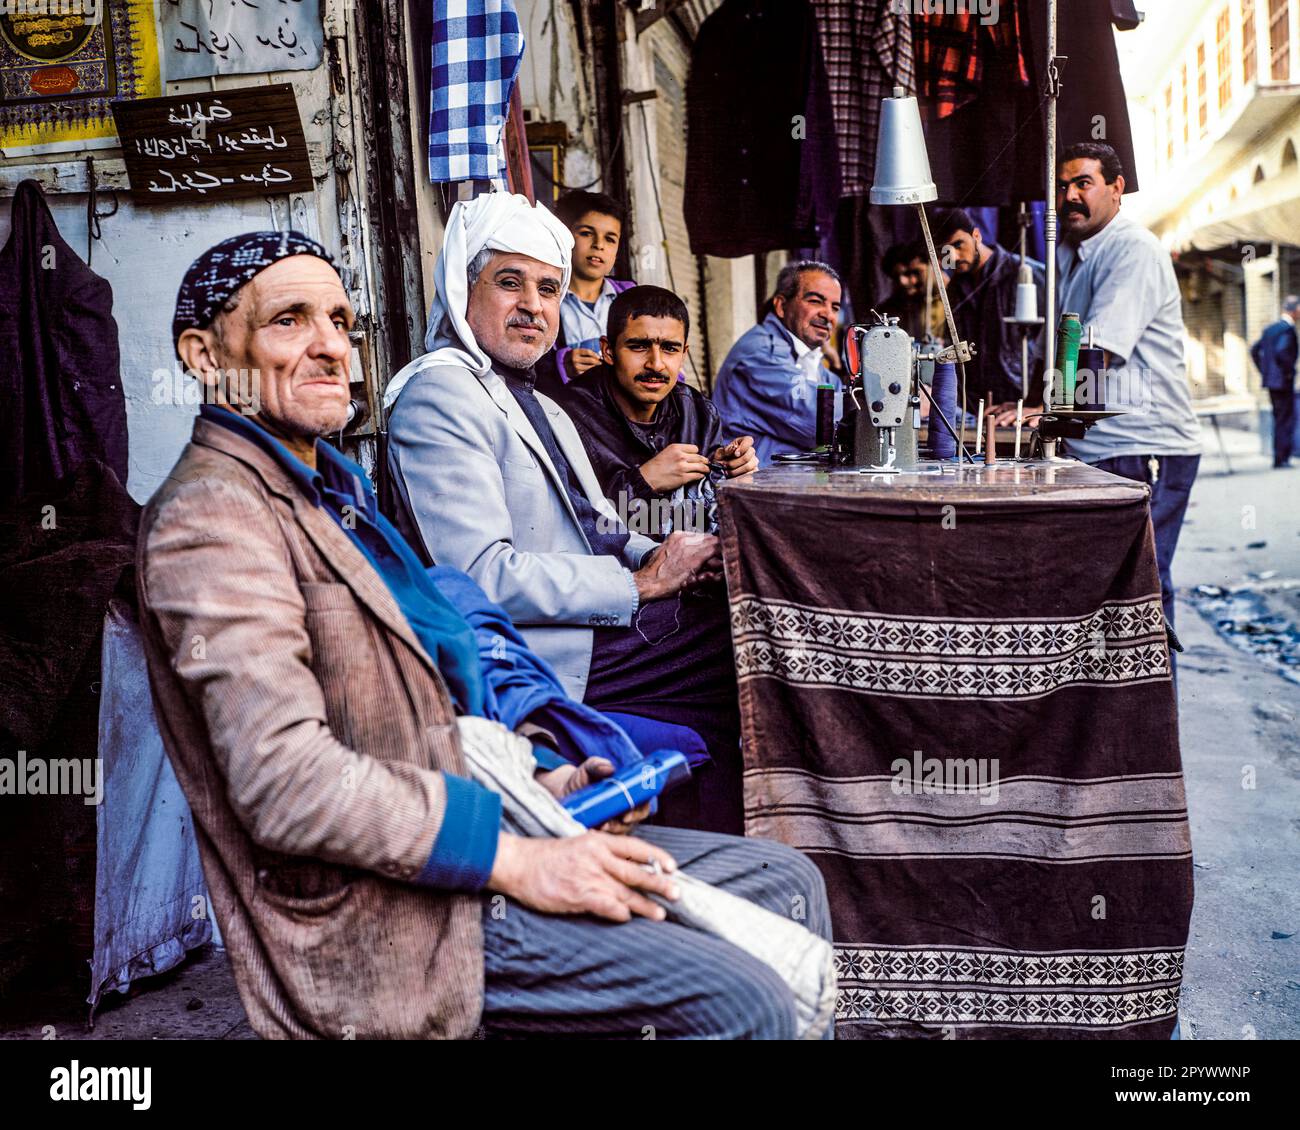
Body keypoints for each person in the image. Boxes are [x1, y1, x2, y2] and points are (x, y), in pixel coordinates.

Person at [137, 229, 832, 1041]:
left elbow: (417, 696)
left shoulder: (328, 487)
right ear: (203, 352)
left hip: (478, 832)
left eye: (339, 320)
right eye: (288, 321)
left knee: (784, 879)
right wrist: (524, 861)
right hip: (394, 912)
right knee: (744, 1000)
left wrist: (543, 780)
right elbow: (288, 784)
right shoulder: (213, 518)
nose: (330, 347)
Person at [384, 195, 749, 833]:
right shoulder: (439, 393)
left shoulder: (538, 402)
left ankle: (734, 852)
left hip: (600, 624)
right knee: (740, 654)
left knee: (742, 625)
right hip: (541, 649)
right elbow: (480, 577)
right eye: (508, 282)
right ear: (461, 288)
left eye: (549, 288)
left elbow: (597, 523)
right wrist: (639, 583)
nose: (533, 305)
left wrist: (664, 558)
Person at [1053, 141, 1201, 630]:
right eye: (1063, 185)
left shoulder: (1131, 248)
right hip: (1108, 446)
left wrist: (1041, 407)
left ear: (1117, 189)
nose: (1070, 195)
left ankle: (1156, 707)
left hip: (1144, 447)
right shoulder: (1076, 257)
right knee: (1121, 591)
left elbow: (1099, 352)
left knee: (1140, 589)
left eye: (1083, 183)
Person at [557, 284, 758, 540]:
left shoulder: (698, 412)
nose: (656, 363)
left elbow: (701, 520)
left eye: (670, 348)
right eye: (639, 346)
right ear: (608, 350)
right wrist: (643, 482)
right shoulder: (568, 417)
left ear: (683, 354)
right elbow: (575, 527)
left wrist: (728, 471)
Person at [711, 260, 843, 466]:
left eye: (835, 307)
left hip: (786, 481)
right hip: (751, 486)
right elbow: (821, 425)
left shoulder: (810, 359)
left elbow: (840, 400)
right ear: (781, 306)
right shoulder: (761, 352)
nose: (828, 314)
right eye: (816, 301)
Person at [935, 207, 1045, 416]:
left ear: (976, 235)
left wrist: (1037, 403)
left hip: (1021, 403)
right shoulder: (955, 289)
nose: (954, 256)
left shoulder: (1025, 273)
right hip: (974, 407)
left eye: (959, 245)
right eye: (945, 251)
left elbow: (1054, 342)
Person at [533, 190, 635, 398]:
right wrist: (562, 366)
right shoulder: (539, 298)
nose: (599, 245)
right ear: (563, 237)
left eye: (610, 239)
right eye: (587, 233)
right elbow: (521, 366)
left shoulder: (633, 299)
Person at [1250, 295, 1299, 468]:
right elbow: (1282, 352)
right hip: (1283, 382)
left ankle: (1279, 457)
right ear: (1295, 310)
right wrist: (1288, 372)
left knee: (1279, 418)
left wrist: (1265, 372)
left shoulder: (1271, 329)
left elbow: (1254, 350)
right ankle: (1282, 458)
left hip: (1272, 382)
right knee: (1286, 419)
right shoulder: (1287, 329)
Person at [878, 241, 947, 341]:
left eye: (914, 272)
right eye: (896, 277)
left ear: (936, 263)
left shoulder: (957, 296)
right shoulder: (895, 308)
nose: (903, 282)